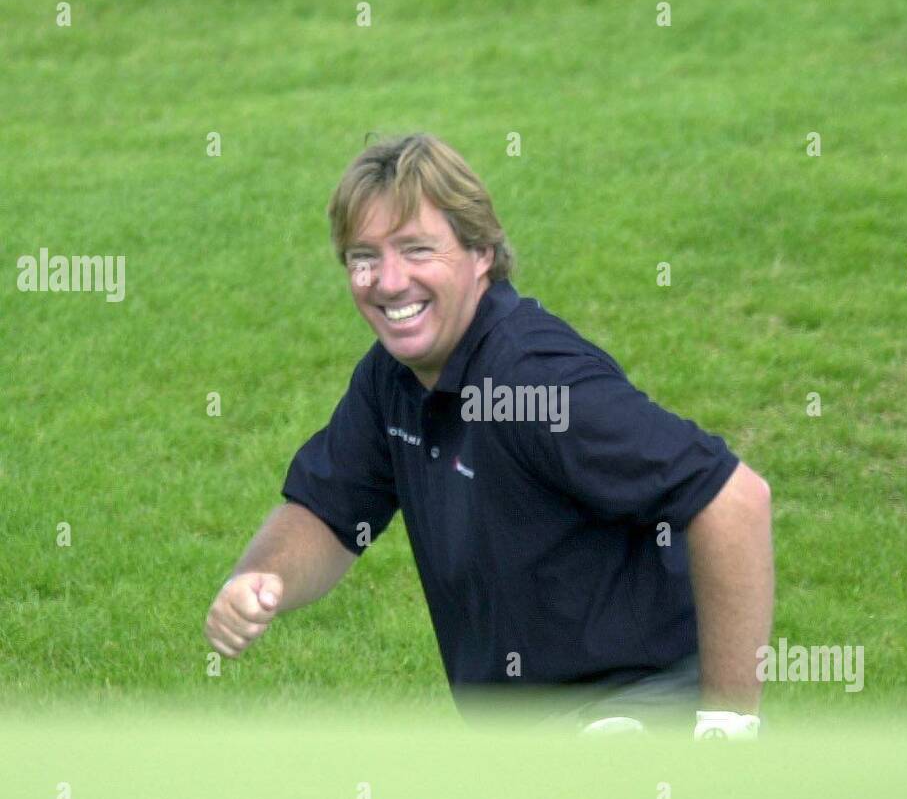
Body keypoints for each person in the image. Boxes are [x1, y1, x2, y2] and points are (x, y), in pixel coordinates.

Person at [204, 134, 774, 738]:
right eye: (363, 257)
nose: (389, 281)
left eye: (416, 249)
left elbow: (734, 500)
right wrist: (258, 579)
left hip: (639, 708)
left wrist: (727, 729)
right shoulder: (390, 379)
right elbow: (326, 511)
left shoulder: (536, 379)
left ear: (480, 252)